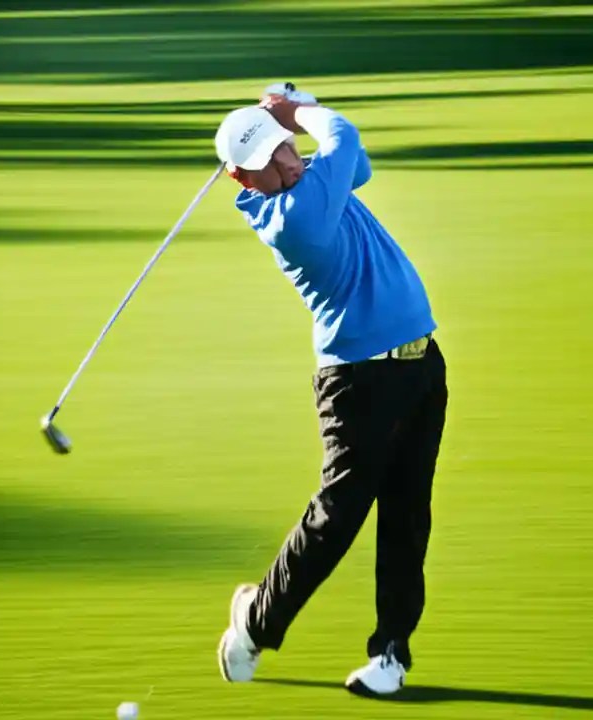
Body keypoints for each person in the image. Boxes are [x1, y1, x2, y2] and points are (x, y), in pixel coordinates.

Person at [212, 86, 449, 696]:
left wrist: (291, 119)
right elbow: (343, 133)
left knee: (408, 514)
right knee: (337, 519)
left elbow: (354, 160)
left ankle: (391, 653)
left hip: (422, 366)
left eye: (285, 148)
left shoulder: (312, 180)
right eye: (268, 162)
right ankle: (255, 623)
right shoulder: (292, 220)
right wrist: (297, 109)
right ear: (242, 177)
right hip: (359, 382)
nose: (287, 163)